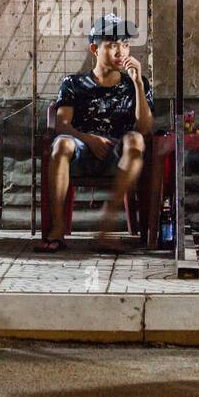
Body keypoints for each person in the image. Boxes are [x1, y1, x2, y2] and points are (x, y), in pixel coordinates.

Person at [36, 15, 153, 253]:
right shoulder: (74, 83)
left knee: (136, 139)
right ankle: (58, 228)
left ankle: (105, 228)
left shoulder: (135, 83)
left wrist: (139, 85)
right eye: (111, 45)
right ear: (94, 49)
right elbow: (62, 125)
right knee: (61, 144)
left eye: (124, 44)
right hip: (81, 154)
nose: (120, 51)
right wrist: (88, 139)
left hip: (119, 157)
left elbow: (144, 128)